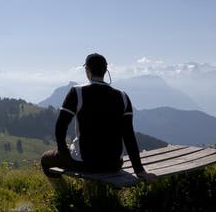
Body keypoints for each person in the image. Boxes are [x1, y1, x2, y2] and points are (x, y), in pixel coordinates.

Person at [41, 53, 157, 182]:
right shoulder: (123, 96)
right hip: (114, 164)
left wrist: (63, 151)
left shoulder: (77, 92)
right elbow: (129, 135)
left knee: (46, 159)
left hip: (84, 163)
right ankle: (89, 192)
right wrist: (139, 170)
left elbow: (60, 126)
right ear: (106, 71)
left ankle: (63, 195)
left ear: (87, 70)